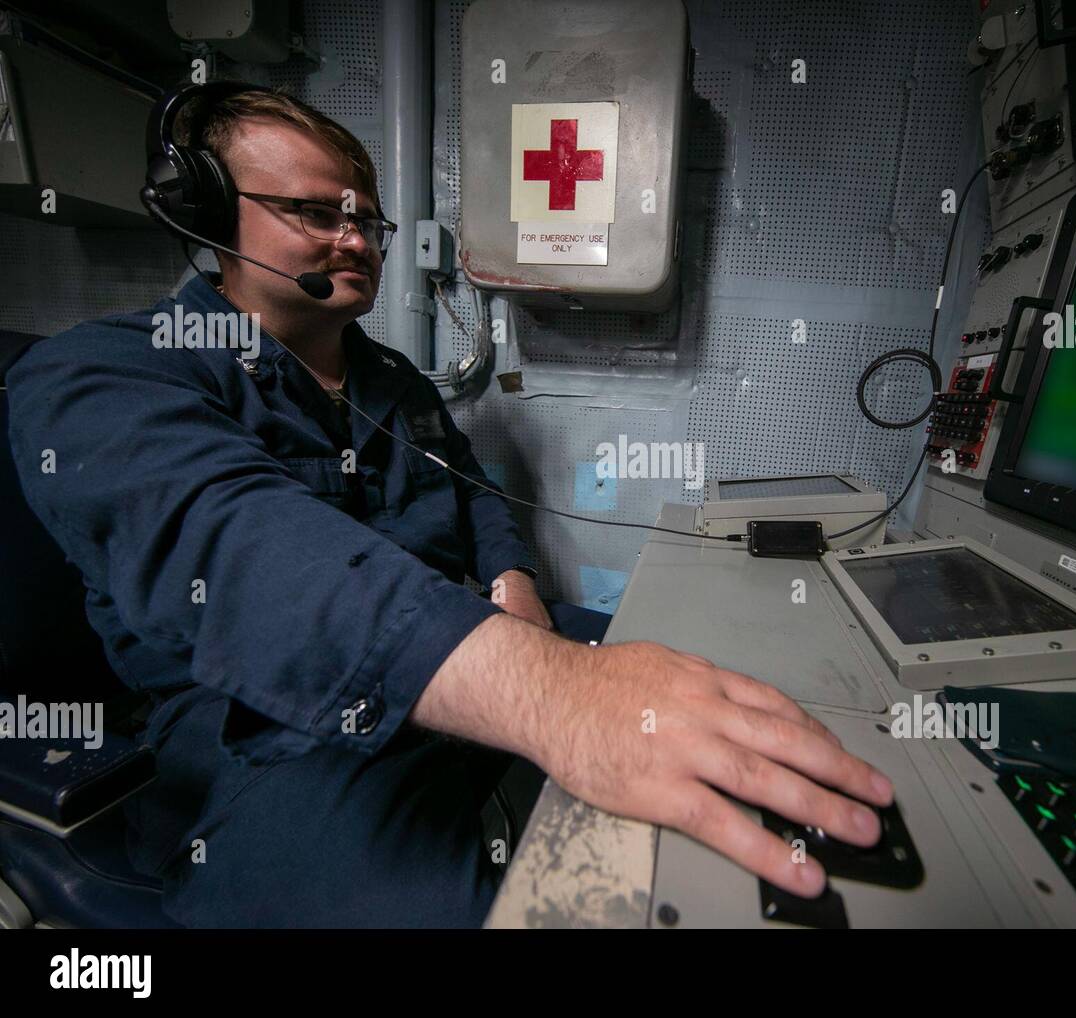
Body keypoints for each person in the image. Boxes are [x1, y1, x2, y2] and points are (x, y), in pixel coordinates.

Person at [4, 85, 893, 927]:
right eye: (317, 213)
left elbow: (475, 495)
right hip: (270, 733)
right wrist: (552, 692)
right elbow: (242, 551)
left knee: (727, 705)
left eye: (367, 220)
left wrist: (514, 582)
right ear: (209, 218)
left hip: (474, 661)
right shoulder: (102, 372)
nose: (355, 240)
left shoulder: (389, 376)